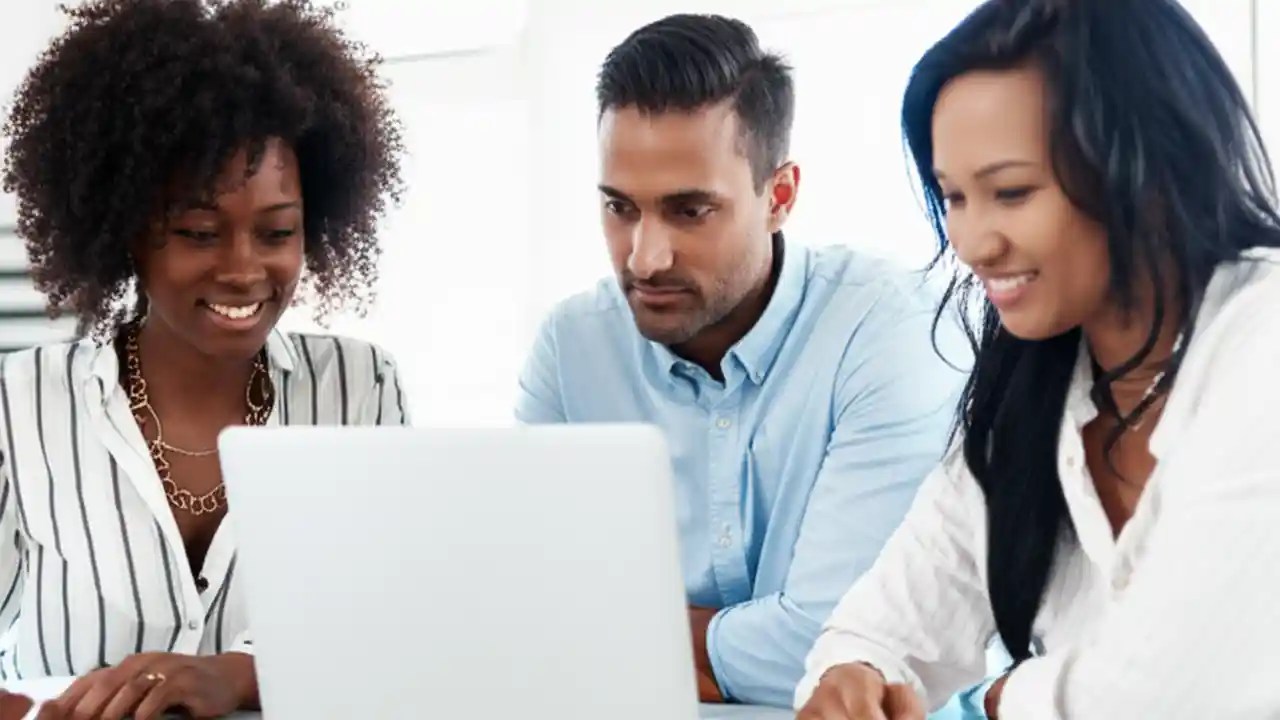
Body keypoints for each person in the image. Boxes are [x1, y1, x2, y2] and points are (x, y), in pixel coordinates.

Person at [795, 0, 1280, 718]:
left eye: (1011, 192)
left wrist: (1005, 696)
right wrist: (852, 676)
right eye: (954, 196)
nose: (971, 242)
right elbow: (875, 632)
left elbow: (1166, 697)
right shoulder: (1029, 395)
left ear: (1145, 167)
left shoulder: (1261, 338)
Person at [516, 13, 969, 708]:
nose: (644, 257)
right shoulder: (571, 349)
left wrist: (631, 641)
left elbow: (846, 645)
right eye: (619, 208)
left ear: (779, 196)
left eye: (689, 211)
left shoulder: (889, 330)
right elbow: (534, 623)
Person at [0, 0, 407, 717]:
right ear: (125, 230)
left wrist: (234, 676)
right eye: (197, 232)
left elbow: (389, 623)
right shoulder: (19, 404)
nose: (245, 269)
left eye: (277, 231)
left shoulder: (361, 389)